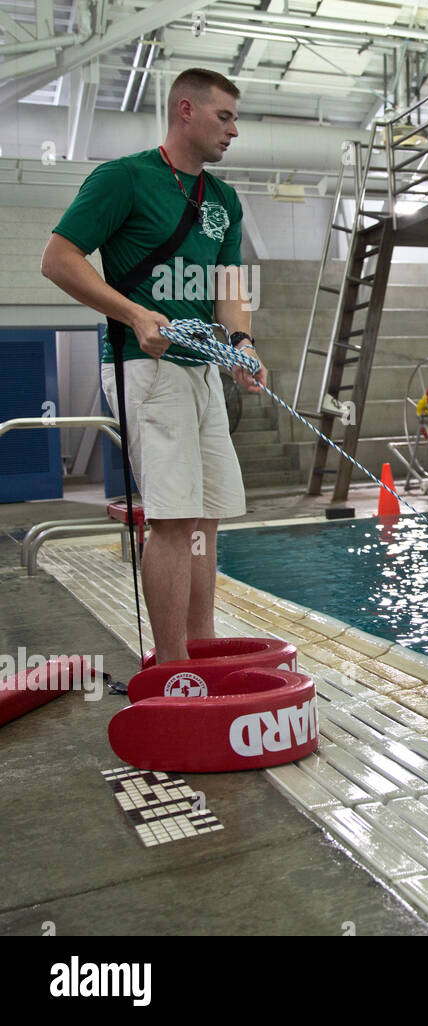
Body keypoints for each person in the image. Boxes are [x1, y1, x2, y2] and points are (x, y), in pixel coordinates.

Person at [40, 67, 266, 664]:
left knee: (206, 515)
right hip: (145, 366)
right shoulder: (124, 179)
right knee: (172, 517)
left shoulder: (223, 198)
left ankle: (200, 645)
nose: (234, 130)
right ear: (185, 111)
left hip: (201, 371)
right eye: (225, 117)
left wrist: (241, 340)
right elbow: (58, 258)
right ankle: (172, 666)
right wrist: (135, 314)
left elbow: (230, 282)